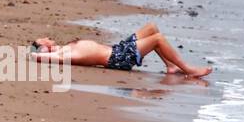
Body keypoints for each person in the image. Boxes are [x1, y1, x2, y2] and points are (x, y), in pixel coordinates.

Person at [30, 23, 211, 77]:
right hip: (117, 58)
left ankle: (171, 66)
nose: (46, 37)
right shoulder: (62, 54)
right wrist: (40, 53)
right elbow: (37, 57)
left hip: (117, 50)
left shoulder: (63, 48)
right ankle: (188, 69)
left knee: (152, 28)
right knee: (158, 39)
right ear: (44, 47)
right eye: (43, 40)